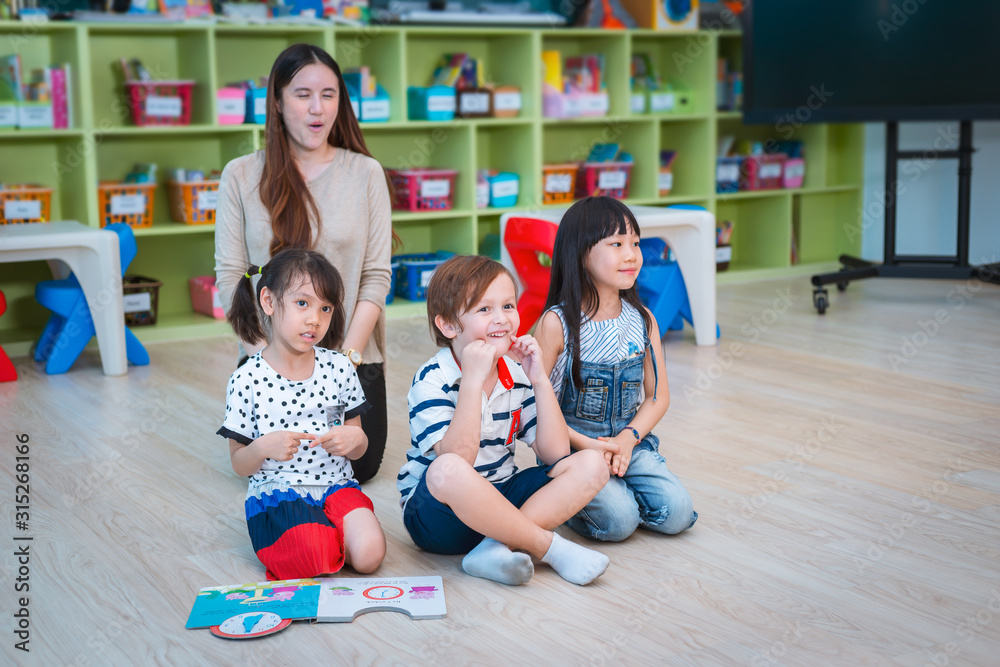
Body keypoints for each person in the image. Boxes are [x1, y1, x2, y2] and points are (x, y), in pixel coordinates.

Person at [215, 43, 394, 484]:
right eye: (302, 94)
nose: (317, 109)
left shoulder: (366, 172)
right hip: (269, 355)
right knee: (275, 466)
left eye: (329, 94)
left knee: (359, 466)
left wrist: (344, 361)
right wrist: (266, 361)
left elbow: (375, 278)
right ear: (276, 101)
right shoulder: (239, 174)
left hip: (350, 355)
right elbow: (231, 275)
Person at [397, 255, 612, 586]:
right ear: (449, 325)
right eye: (485, 310)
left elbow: (555, 453)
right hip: (441, 516)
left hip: (500, 500)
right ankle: (550, 548)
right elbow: (459, 460)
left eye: (508, 306)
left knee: (592, 464)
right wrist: (471, 380)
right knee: (447, 468)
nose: (502, 319)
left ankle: (495, 547)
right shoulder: (432, 379)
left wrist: (540, 379)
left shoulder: (515, 373)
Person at [535, 197, 697, 542]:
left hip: (630, 443)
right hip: (574, 450)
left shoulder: (642, 319)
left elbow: (657, 397)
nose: (631, 255)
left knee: (678, 514)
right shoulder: (556, 324)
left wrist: (627, 440)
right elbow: (536, 409)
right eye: (617, 244)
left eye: (635, 243)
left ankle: (619, 489)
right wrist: (592, 448)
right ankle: (566, 498)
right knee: (619, 523)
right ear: (581, 254)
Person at [218, 247, 386, 581]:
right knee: (314, 558)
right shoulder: (246, 379)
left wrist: (355, 439)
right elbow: (239, 463)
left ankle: (327, 531)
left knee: (370, 556)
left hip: (336, 487)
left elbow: (359, 444)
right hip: (279, 493)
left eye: (325, 308)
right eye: (302, 303)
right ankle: (318, 535)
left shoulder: (339, 367)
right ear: (268, 301)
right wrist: (263, 448)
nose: (315, 319)